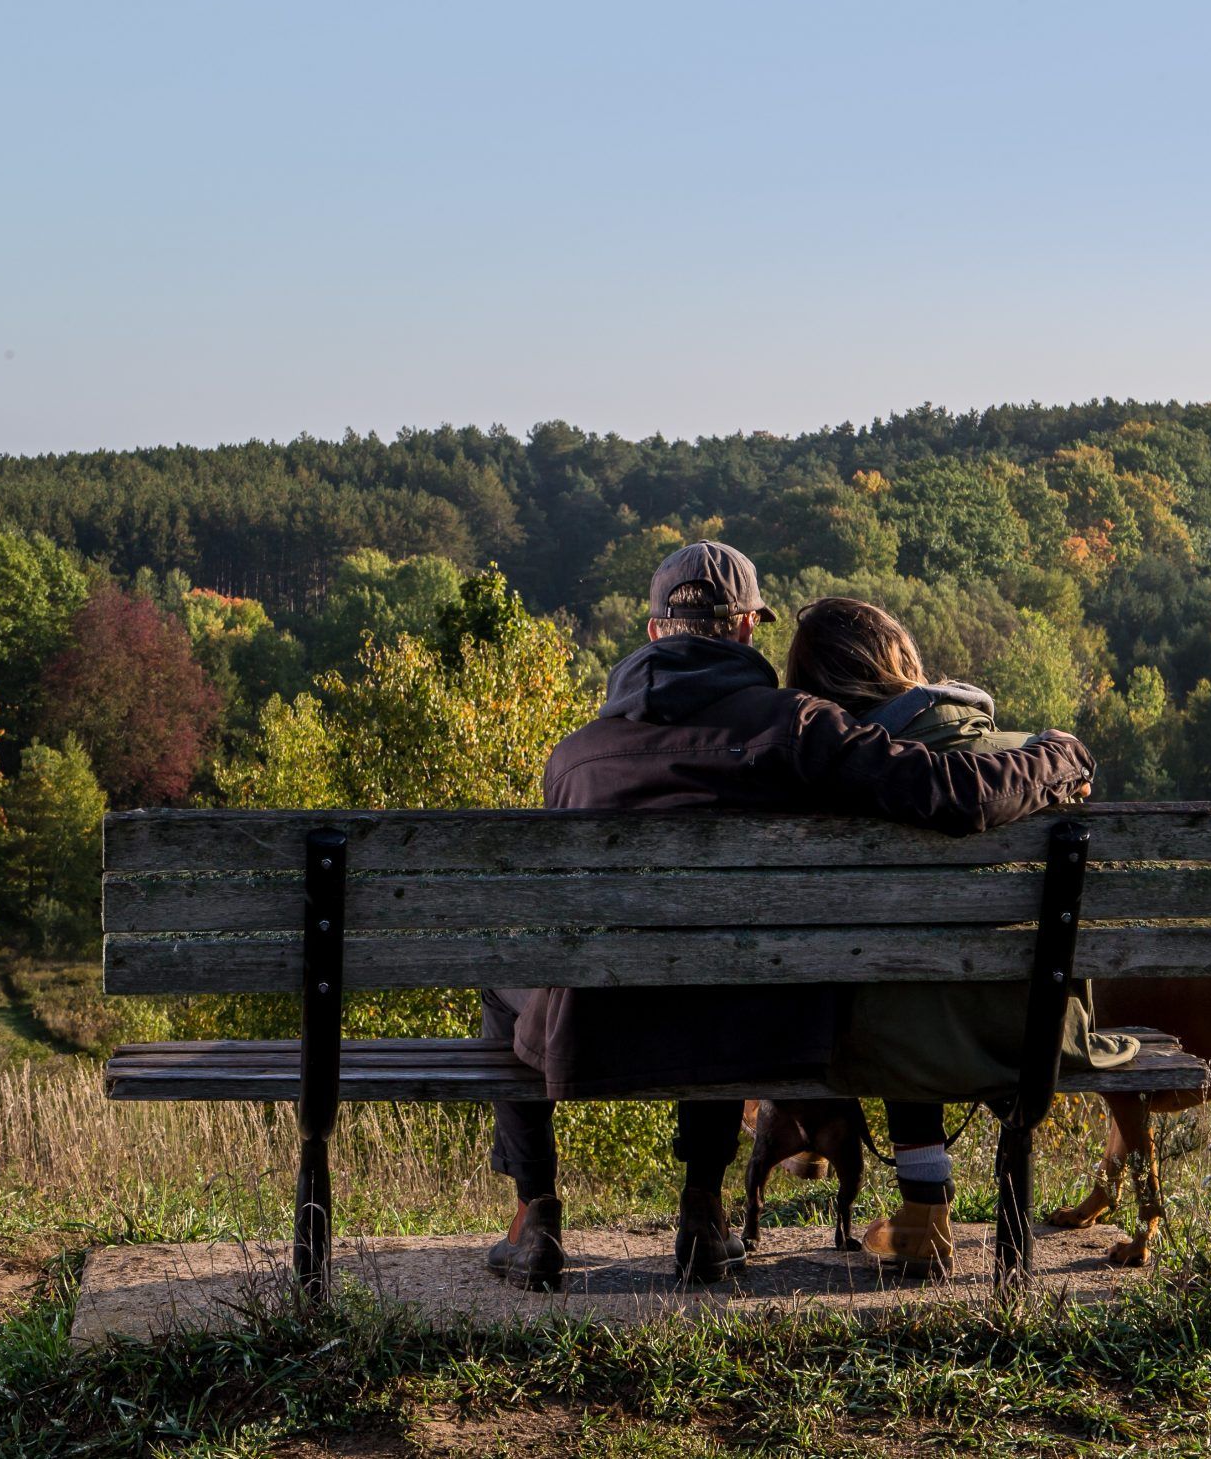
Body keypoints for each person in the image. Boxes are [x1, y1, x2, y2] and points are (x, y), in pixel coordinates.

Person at [482, 542, 1096, 1291]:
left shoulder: (576, 757)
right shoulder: (799, 725)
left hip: (600, 1025)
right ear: (745, 629)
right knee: (710, 975)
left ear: (651, 634)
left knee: (503, 977)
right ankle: (702, 1207)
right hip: (763, 1021)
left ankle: (535, 1211)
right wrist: (1056, 759)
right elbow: (957, 792)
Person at [782, 595, 1137, 1275]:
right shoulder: (1033, 759)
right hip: (1034, 1030)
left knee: (904, 988)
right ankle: (930, 1217)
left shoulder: (840, 775)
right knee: (922, 986)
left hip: (882, 1038)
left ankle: (924, 1212)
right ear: (906, 665)